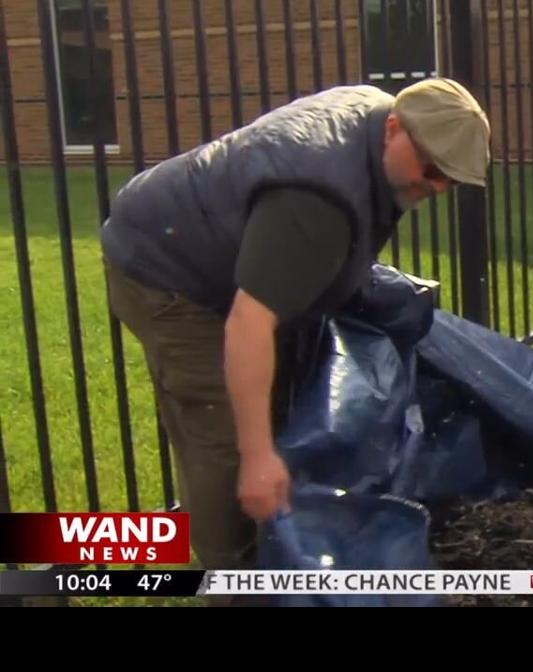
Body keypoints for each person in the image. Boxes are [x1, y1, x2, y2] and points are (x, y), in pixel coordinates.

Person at [99, 79, 491, 579]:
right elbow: (249, 324)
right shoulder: (315, 198)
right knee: (224, 443)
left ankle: (264, 536)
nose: (437, 187)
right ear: (393, 129)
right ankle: (234, 580)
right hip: (170, 273)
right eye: (433, 169)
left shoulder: (379, 125)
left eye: (450, 181)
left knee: (277, 409)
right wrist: (258, 457)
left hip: (233, 257)